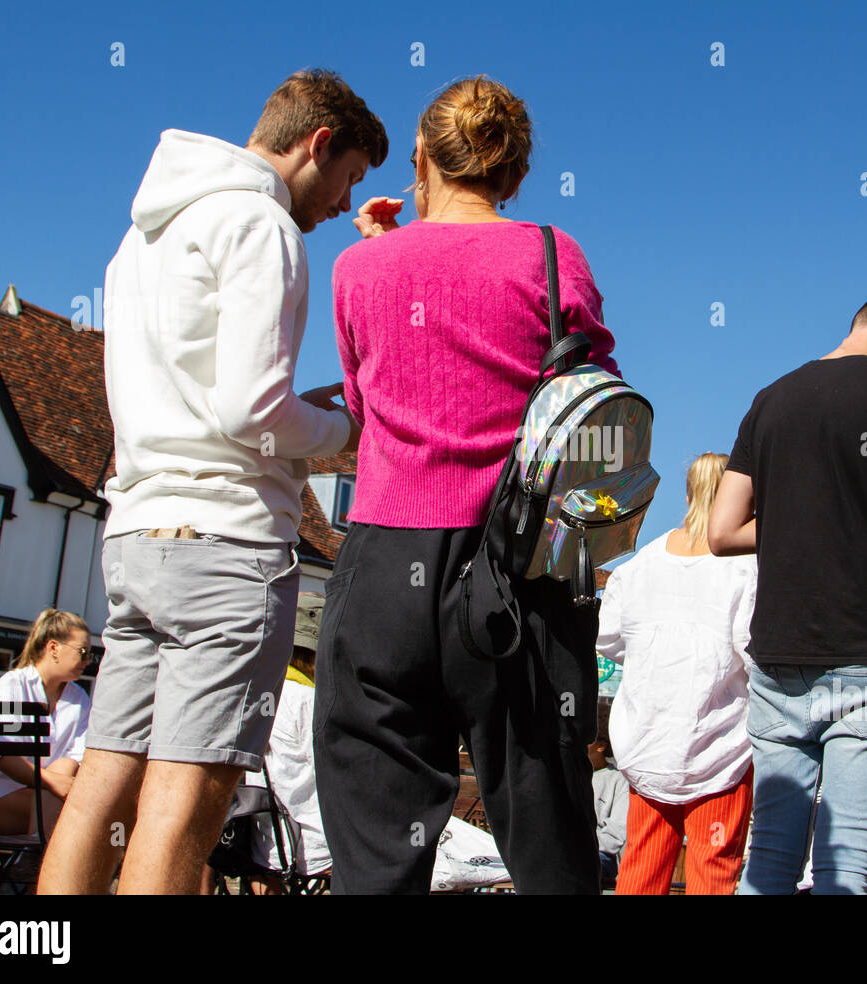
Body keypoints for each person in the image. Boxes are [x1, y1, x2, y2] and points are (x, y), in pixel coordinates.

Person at [38, 70, 387, 895]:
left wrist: (289, 411)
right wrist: (344, 431)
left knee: (104, 786)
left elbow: (205, 396)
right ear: (320, 144)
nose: (343, 203)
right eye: (350, 179)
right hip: (224, 545)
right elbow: (248, 411)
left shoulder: (145, 237)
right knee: (187, 797)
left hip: (137, 534)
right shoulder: (263, 227)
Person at [315, 75, 619, 894]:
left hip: (385, 560)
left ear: (418, 160)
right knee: (547, 824)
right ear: (514, 177)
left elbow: (362, 403)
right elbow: (597, 404)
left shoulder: (357, 268)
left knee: (377, 841)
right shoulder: (554, 256)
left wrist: (384, 247)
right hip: (517, 570)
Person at [709, 293, 867, 895]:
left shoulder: (770, 398)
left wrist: (803, 511)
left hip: (779, 660)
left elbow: (722, 531)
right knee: (845, 863)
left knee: (768, 857)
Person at [597, 453, 757, 895]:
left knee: (640, 874)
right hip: (719, 747)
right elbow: (756, 655)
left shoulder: (638, 567)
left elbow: (608, 640)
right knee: (714, 873)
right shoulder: (746, 566)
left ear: (686, 495)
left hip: (647, 748)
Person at [0, 610, 92, 839]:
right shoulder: (12, 685)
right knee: (84, 818)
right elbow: (6, 760)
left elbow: (73, 759)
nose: (88, 660)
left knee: (64, 775)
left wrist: (57, 782)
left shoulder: (79, 697)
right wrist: (55, 784)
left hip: (42, 796)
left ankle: (32, 857)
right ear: (54, 648)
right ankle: (36, 860)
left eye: (90, 654)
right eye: (83, 652)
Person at [245, 592, 331, 893]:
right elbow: (336, 776)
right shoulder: (307, 700)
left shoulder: (258, 694)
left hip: (265, 844)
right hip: (312, 847)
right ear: (315, 654)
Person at [587, 704, 629, 889]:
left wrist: (583, 845)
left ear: (601, 746)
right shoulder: (568, 774)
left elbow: (618, 831)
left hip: (599, 854)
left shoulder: (619, 780)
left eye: (586, 738)